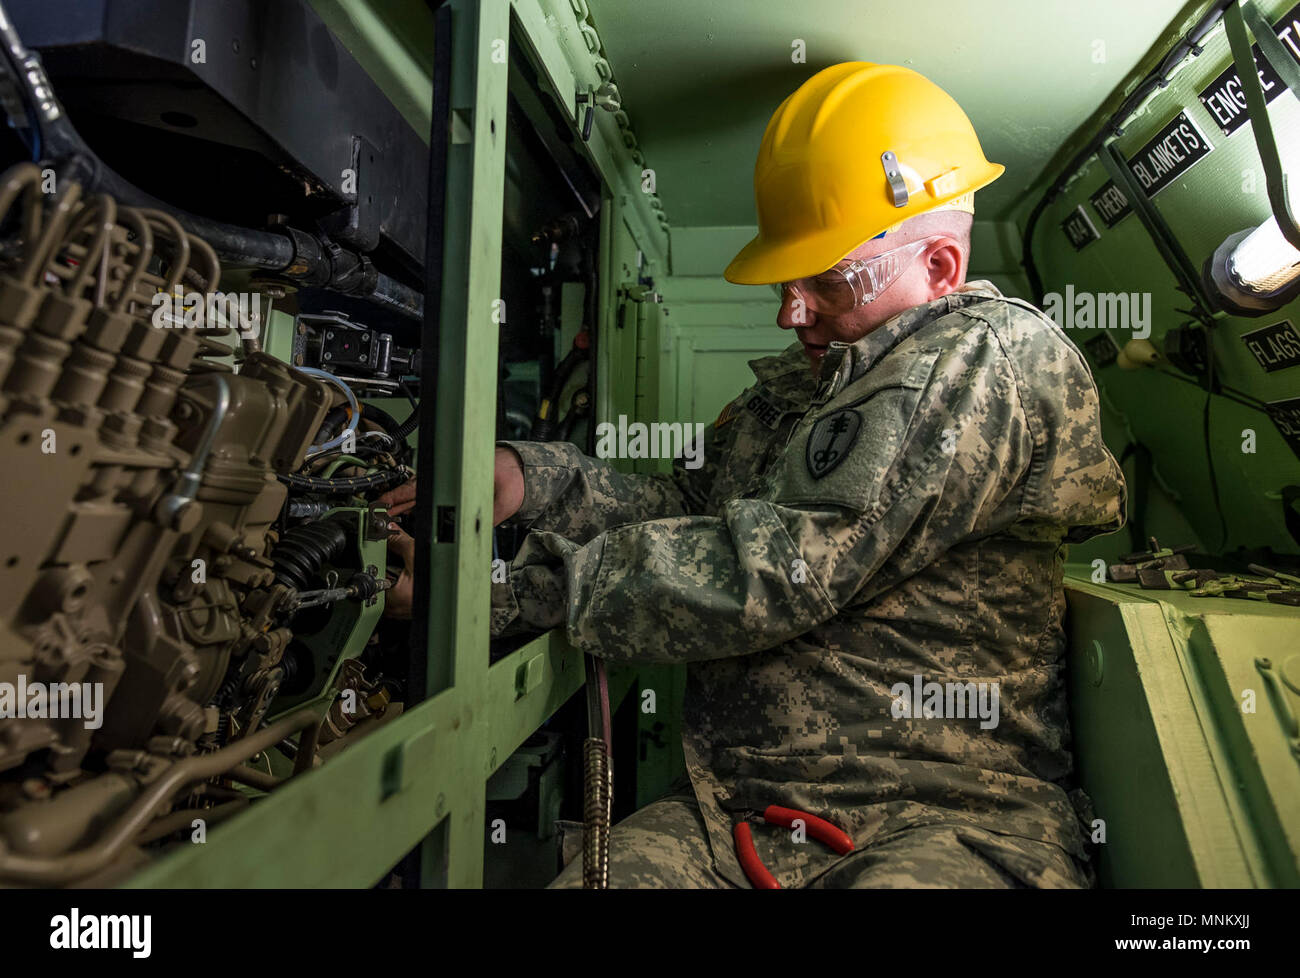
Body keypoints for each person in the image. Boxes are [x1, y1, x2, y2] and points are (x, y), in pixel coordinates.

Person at [383, 62, 1126, 888]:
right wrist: (533, 478)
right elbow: (688, 510)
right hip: (737, 810)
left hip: (940, 820)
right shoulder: (803, 391)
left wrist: (502, 591)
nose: (790, 312)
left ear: (941, 269)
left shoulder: (982, 361)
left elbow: (776, 570)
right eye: (787, 280)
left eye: (825, 282)